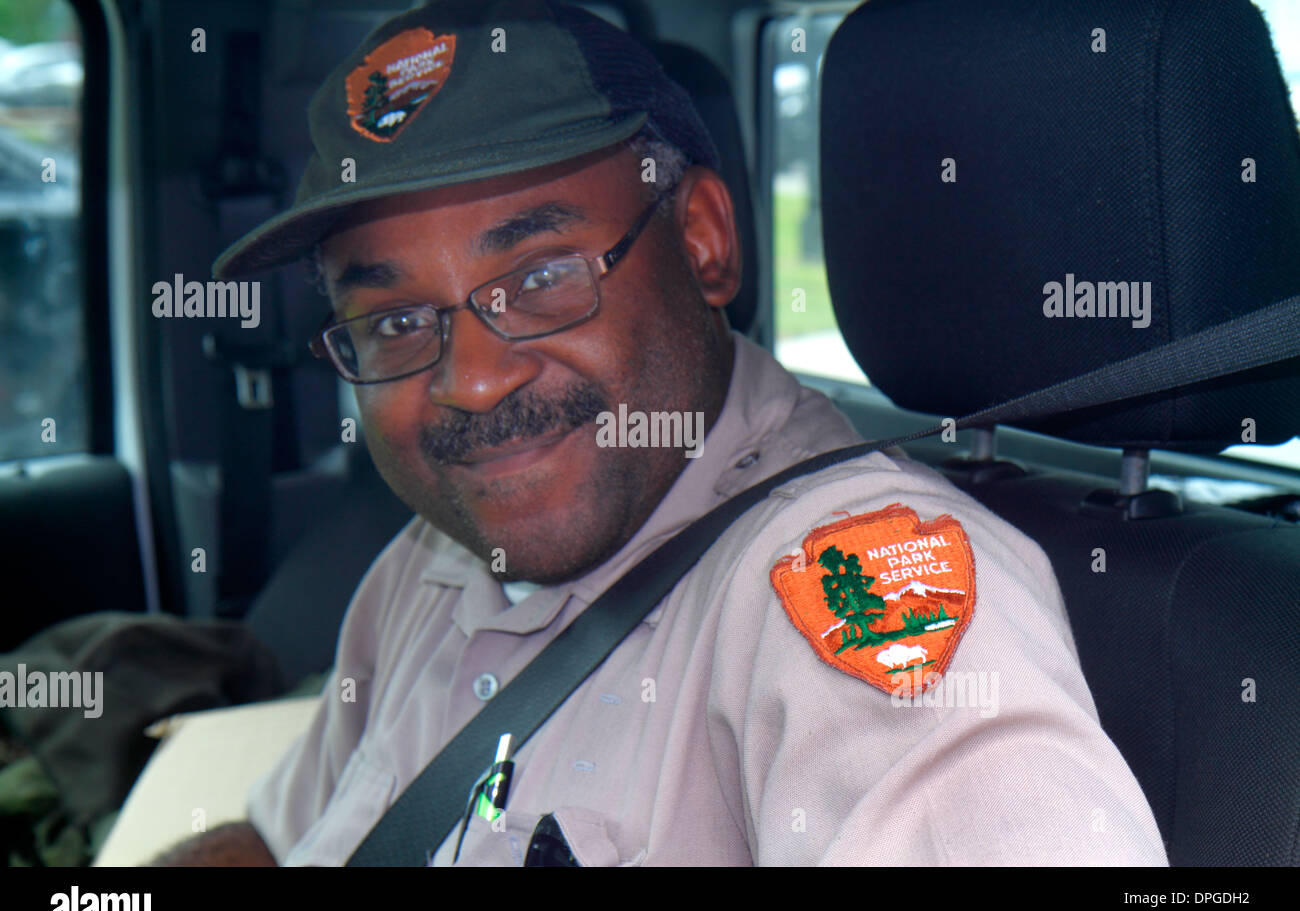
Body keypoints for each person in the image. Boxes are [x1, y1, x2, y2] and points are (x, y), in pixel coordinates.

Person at [155, 0, 1167, 866]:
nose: (468, 381)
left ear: (703, 241)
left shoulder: (850, 580)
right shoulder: (428, 566)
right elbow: (280, 843)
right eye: (396, 321)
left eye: (542, 275)